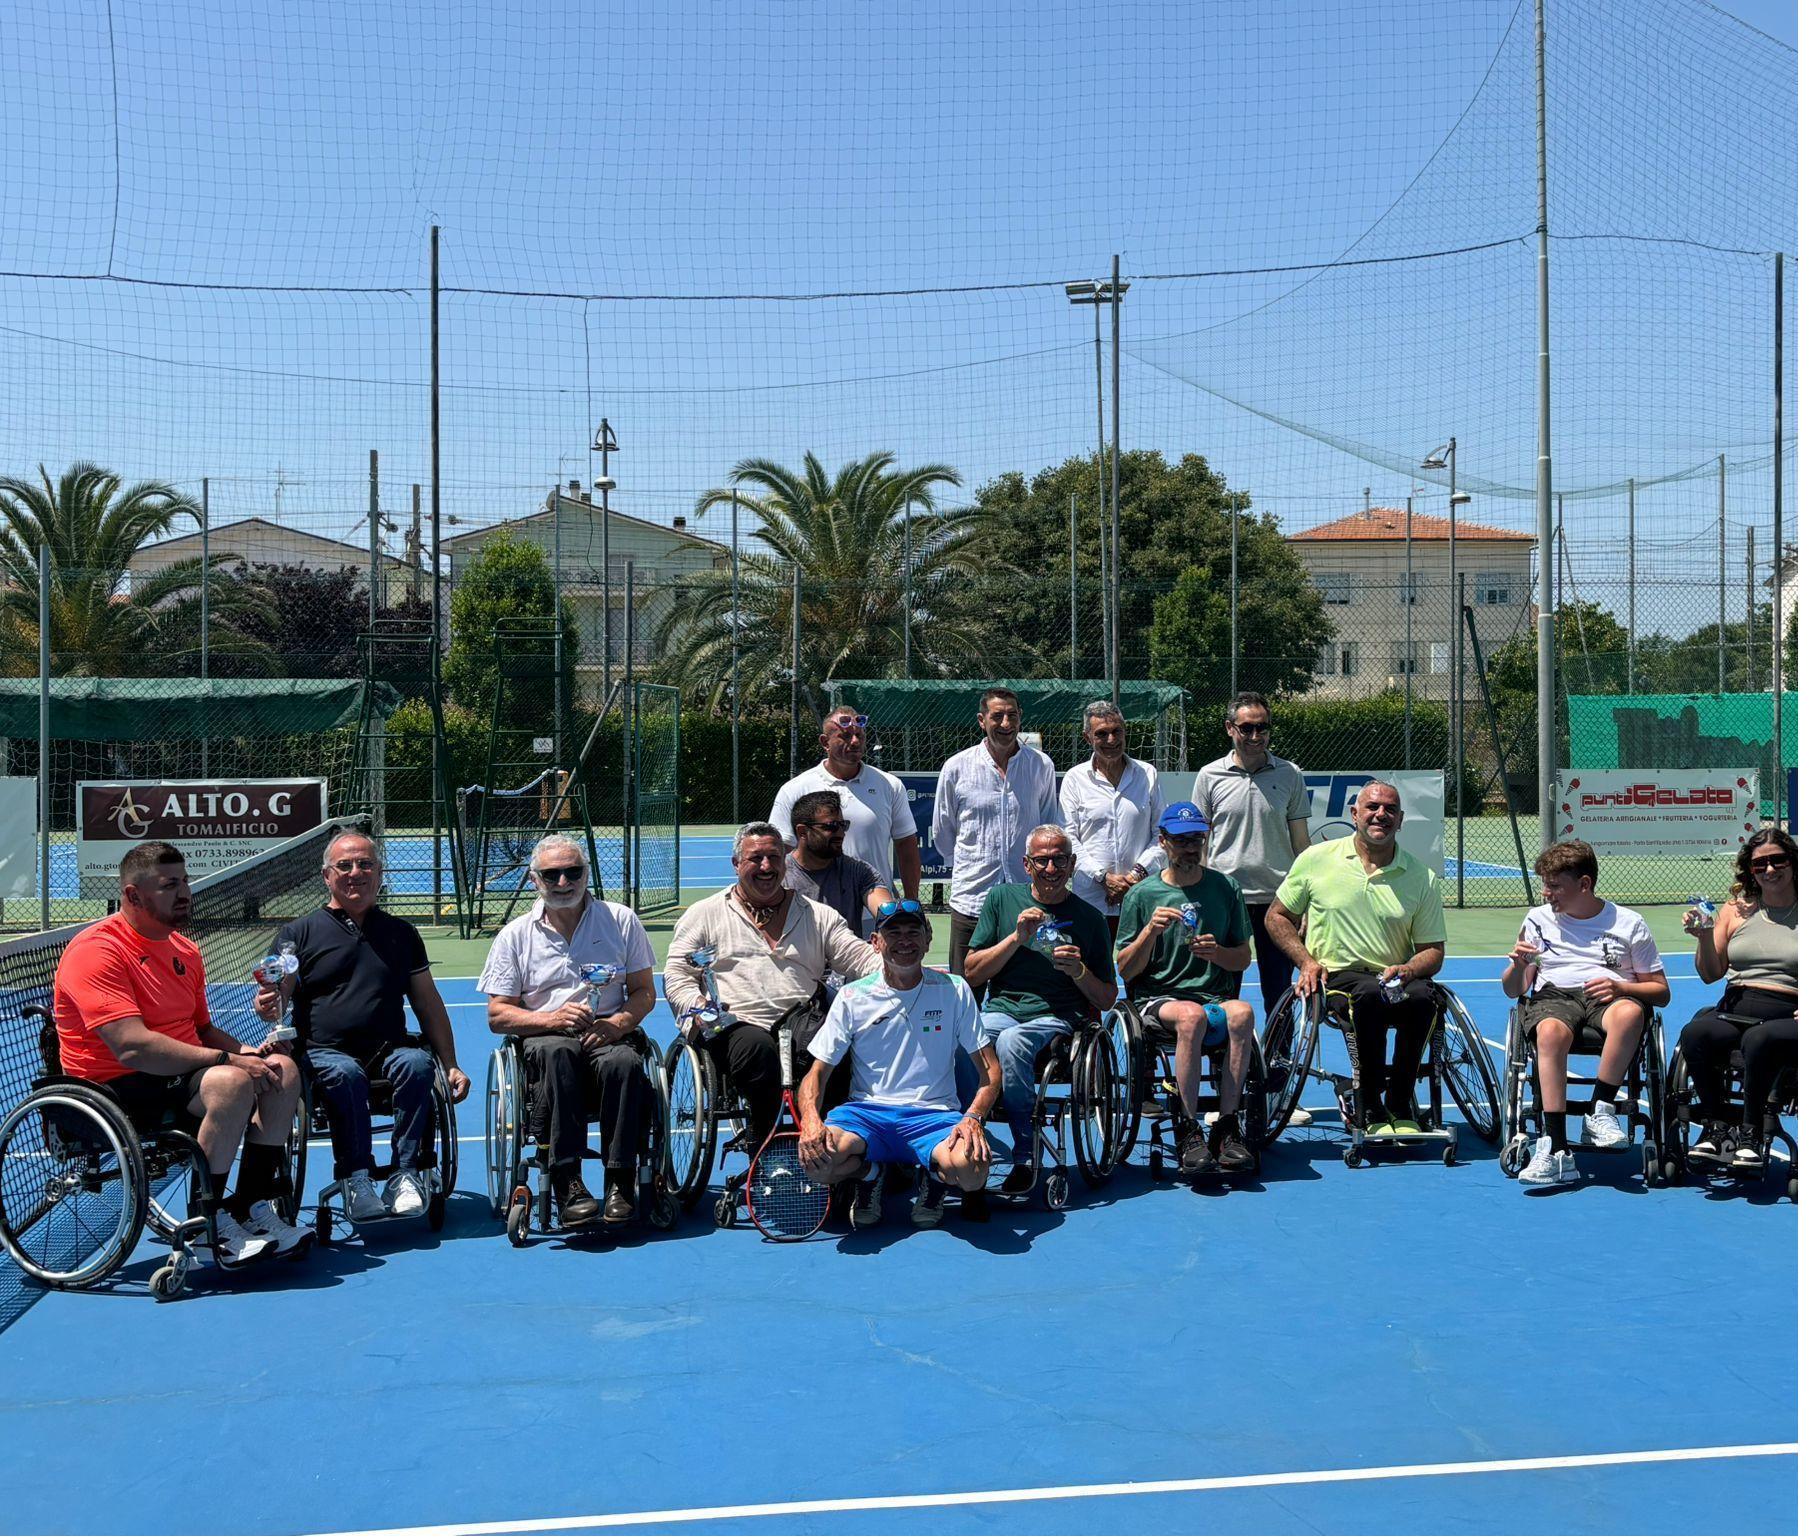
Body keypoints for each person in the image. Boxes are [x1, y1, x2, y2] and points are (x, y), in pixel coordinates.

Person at [54, 841, 310, 1263]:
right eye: (169, 885)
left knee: (282, 1070)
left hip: (178, 1076)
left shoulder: (185, 951)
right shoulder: (96, 951)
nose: (185, 892)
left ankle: (251, 1206)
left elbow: (202, 1030)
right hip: (116, 1087)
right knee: (230, 1083)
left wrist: (251, 1052)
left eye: (185, 881)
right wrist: (228, 1061)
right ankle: (208, 1226)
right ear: (134, 895)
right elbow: (132, 1047)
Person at [255, 829, 470, 1225]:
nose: (356, 872)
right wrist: (269, 1003)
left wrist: (451, 1063)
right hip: (323, 1054)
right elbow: (277, 995)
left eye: (365, 864)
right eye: (345, 865)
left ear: (379, 873)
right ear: (327, 876)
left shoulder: (402, 933)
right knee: (345, 1073)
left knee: (418, 1065)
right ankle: (356, 1177)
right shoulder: (297, 934)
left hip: (389, 1050)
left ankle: (406, 1174)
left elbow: (427, 1002)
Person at [478, 834, 659, 1225]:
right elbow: (497, 1015)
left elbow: (645, 992)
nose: (563, 882)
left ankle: (620, 1179)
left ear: (586, 874)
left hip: (607, 1030)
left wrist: (618, 1023)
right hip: (546, 1035)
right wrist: (551, 1019)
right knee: (558, 1052)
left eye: (573, 872)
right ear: (534, 880)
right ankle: (567, 1179)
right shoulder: (515, 935)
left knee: (624, 1063)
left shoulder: (620, 920)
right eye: (552, 874)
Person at [665, 822, 879, 1146]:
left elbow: (859, 958)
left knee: (836, 1046)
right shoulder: (703, 915)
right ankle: (766, 1147)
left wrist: (902, 970)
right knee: (758, 1050)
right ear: (736, 863)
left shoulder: (818, 915)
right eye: (756, 858)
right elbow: (678, 975)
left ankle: (831, 1150)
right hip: (735, 1026)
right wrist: (699, 1009)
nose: (766, 867)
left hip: (802, 1021)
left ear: (785, 861)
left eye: (774, 858)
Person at [798, 900, 1003, 1228]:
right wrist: (810, 1119)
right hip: (867, 1116)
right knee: (815, 1162)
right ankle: (869, 1175)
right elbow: (817, 1075)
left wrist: (973, 1118)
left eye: (913, 932)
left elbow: (990, 1070)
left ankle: (934, 1178)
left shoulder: (954, 990)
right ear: (876, 942)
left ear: (928, 940)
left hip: (934, 1116)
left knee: (973, 1172)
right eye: (893, 933)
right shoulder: (851, 997)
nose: (904, 941)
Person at [1265, 781, 1447, 1135]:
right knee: (1369, 995)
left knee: (1425, 998)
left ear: (1400, 820)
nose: (1381, 815)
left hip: (1396, 977)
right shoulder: (1316, 860)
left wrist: (1409, 968)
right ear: (1355, 814)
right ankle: (1370, 1104)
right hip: (1336, 977)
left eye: (1390, 809)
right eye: (1372, 807)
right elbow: (1277, 917)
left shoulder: (1421, 876)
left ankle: (1400, 1103)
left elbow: (1433, 952)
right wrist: (1305, 961)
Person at [1500, 840, 1668, 1188]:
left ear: (1585, 884)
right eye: (1545, 884)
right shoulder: (1537, 920)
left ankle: (1600, 1110)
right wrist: (1517, 966)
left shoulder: (1629, 923)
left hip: (1609, 995)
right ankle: (1556, 1149)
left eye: (1555, 885)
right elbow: (1514, 989)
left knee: (1629, 1014)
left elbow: (1661, 992)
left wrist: (1621, 987)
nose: (1546, 893)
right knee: (1549, 1033)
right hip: (1555, 995)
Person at [963, 823, 1117, 1193]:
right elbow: (972, 973)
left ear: (1073, 864)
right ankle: (963, 1139)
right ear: (1026, 864)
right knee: (964, 1039)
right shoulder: (1001, 899)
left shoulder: (1091, 919)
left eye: (1059, 860)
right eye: (1042, 861)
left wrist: (1078, 971)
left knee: (1012, 1042)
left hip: (1058, 1017)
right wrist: (1016, 939)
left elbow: (1107, 998)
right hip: (1001, 1008)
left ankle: (1024, 1153)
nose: (1051, 869)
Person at [1115, 803, 1256, 1175]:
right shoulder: (1142, 895)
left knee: (1243, 1013)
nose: (1190, 848)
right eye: (1181, 840)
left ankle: (1227, 1125)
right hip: (1156, 1000)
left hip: (1213, 997)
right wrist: (1150, 932)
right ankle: (1188, 1127)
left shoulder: (1225, 888)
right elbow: (1125, 969)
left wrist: (1217, 953)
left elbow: (1242, 958)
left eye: (1196, 839)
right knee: (1191, 1017)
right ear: (1163, 842)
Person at [1678, 827, 1798, 1170]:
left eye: (1778, 860)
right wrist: (1704, 937)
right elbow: (1710, 973)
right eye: (1760, 864)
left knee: (1760, 1039)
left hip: (1786, 1013)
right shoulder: (1736, 910)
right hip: (1736, 1007)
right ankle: (1717, 1128)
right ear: (1750, 870)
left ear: (1792, 862)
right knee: (1695, 1033)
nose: (1770, 869)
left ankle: (1750, 1134)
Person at [1192, 692, 1311, 1019]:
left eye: (1262, 727)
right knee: (1222, 995)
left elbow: (1302, 844)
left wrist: (1308, 902)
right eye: (1246, 728)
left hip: (1278, 902)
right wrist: (1201, 895)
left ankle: (1277, 1053)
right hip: (1226, 899)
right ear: (1230, 728)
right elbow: (1200, 844)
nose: (1256, 735)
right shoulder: (1209, 775)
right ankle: (1227, 1053)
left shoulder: (1290, 774)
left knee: (1279, 994)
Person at [933, 687, 1061, 975]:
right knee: (965, 987)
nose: (1006, 723)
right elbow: (943, 833)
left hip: (1025, 899)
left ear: (1020, 717)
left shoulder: (1040, 766)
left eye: (1012, 715)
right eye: (997, 716)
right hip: (972, 899)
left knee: (1026, 987)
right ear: (982, 720)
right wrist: (971, 865)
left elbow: (1047, 827)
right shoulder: (956, 767)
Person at [770, 707, 921, 903]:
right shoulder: (795, 789)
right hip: (811, 910)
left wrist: (913, 901)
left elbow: (907, 846)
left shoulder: (890, 785)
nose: (855, 741)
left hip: (874, 910)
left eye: (860, 735)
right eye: (846, 736)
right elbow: (780, 851)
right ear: (825, 742)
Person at [1059, 699, 1163, 933]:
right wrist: (1102, 877)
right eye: (1101, 734)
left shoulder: (1147, 774)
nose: (1111, 740)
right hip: (1091, 901)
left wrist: (1136, 875)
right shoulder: (1075, 779)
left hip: (1141, 896)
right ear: (1087, 737)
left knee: (1142, 957)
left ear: (1125, 731)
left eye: (1117, 731)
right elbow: (1068, 838)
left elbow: (1161, 834)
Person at [783, 788, 895, 936]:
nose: (841, 834)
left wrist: (899, 921)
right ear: (802, 832)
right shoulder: (780, 874)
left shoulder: (858, 871)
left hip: (846, 951)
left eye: (843, 825)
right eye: (831, 827)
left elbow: (888, 915)